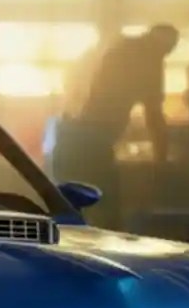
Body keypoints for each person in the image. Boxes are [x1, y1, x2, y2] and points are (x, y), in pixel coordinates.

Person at [50, 24, 179, 191]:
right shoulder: (147, 59)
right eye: (166, 51)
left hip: (67, 136)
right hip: (91, 144)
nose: (164, 57)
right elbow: (154, 116)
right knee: (102, 202)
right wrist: (161, 163)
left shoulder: (113, 47)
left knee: (69, 202)